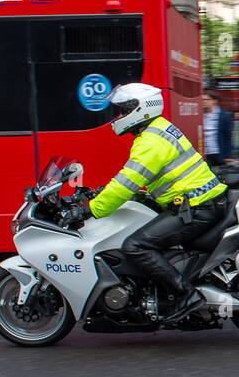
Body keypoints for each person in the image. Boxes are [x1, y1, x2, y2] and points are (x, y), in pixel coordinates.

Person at [67, 83, 228, 322]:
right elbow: (147, 180)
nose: (118, 117)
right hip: (197, 202)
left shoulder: (150, 141)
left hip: (196, 207)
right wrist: (100, 194)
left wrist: (90, 209)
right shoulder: (160, 129)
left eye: (122, 111)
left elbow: (126, 182)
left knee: (135, 246)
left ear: (140, 109)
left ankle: (187, 295)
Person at [202, 93, 232, 170]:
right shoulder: (200, 115)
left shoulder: (224, 116)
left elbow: (227, 137)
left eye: (207, 100)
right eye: (202, 100)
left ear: (214, 101)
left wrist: (227, 155)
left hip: (218, 153)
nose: (204, 102)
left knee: (220, 176)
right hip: (204, 153)